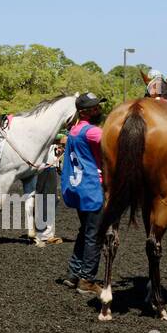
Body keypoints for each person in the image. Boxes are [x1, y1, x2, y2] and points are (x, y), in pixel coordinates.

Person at [61, 92, 107, 295]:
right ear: (84, 112)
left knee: (85, 231)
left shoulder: (74, 130)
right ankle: (87, 280)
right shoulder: (92, 132)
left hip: (78, 188)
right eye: (95, 108)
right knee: (95, 235)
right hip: (92, 188)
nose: (99, 110)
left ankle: (73, 274)